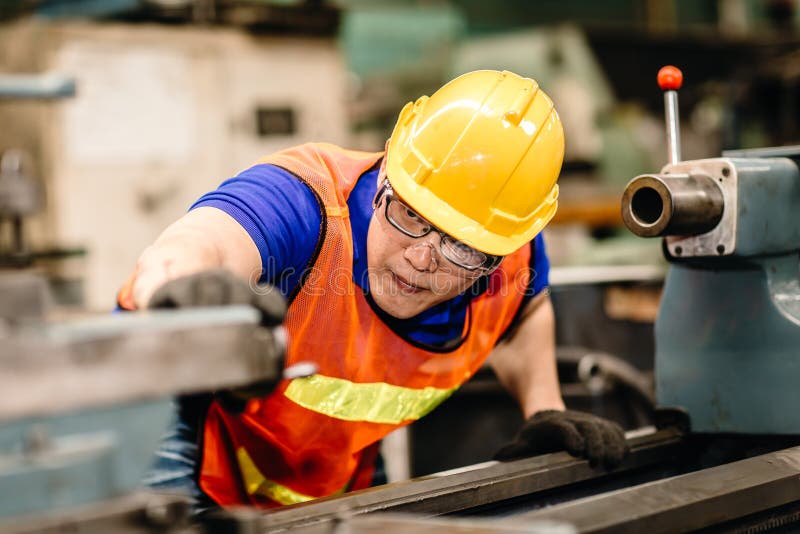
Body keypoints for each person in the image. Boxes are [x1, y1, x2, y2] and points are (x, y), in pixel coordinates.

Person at [117, 69, 628, 511]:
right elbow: (203, 240)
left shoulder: (505, 252)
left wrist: (544, 406)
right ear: (387, 167)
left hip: (333, 465)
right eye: (409, 214)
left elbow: (522, 313)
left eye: (463, 248)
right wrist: (183, 290)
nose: (423, 257)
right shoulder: (307, 203)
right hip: (185, 432)